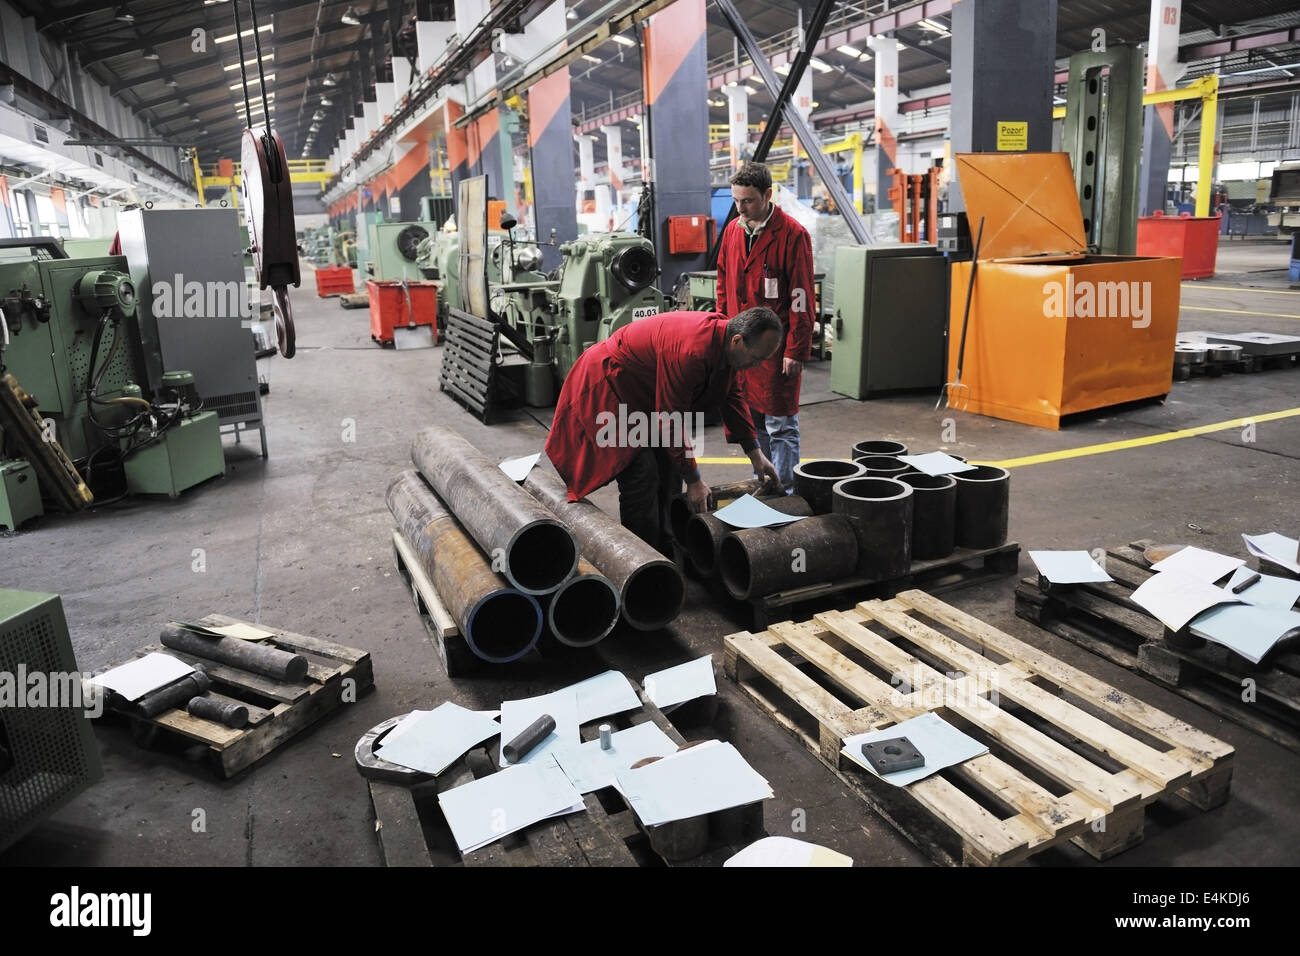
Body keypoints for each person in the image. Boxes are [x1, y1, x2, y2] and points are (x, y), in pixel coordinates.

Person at [545, 309, 784, 550]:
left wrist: (755, 453)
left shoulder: (727, 345)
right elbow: (671, 420)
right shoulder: (690, 351)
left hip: (647, 395)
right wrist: (694, 480)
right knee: (643, 474)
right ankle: (641, 557)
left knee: (671, 468)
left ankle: (667, 546)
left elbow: (730, 395)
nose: (756, 366)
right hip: (611, 387)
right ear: (737, 340)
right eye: (756, 358)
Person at [715, 161, 815, 493]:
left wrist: (796, 349)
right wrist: (721, 329)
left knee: (780, 423)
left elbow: (800, 296)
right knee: (753, 420)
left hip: (774, 351)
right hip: (741, 347)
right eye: (737, 201)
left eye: (748, 201)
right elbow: (722, 281)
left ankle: (786, 492)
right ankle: (768, 484)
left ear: (768, 195)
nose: (741, 209)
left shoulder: (792, 235)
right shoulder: (732, 232)